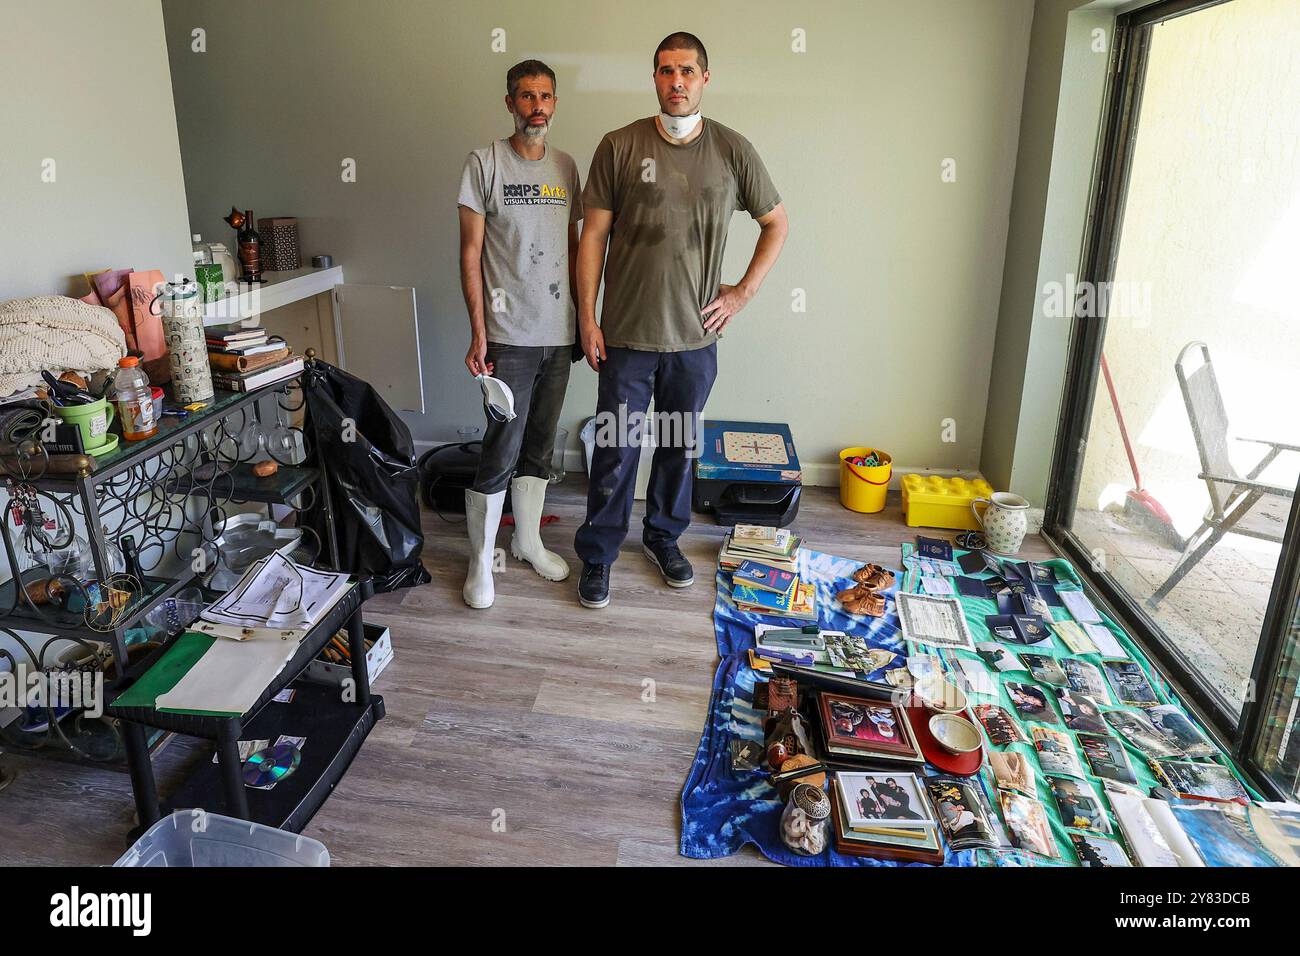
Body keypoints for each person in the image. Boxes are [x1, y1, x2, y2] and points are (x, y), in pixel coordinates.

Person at [572, 32, 788, 609]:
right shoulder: (619, 145)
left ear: (704, 79)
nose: (676, 81)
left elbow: (777, 222)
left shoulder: (732, 150)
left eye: (686, 71)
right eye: (666, 71)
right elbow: (592, 235)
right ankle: (597, 553)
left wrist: (741, 293)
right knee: (618, 448)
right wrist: (586, 319)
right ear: (655, 78)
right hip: (624, 331)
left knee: (679, 444)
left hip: (694, 336)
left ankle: (664, 537)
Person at [457, 59, 582, 608]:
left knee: (540, 443)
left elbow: (577, 249)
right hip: (507, 334)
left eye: (546, 96)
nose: (537, 106)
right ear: (510, 103)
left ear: (555, 103)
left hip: (558, 333)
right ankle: (480, 563)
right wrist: (478, 332)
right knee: (500, 446)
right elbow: (470, 254)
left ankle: (527, 541)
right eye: (527, 96)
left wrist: (585, 319)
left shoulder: (566, 167)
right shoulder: (484, 163)